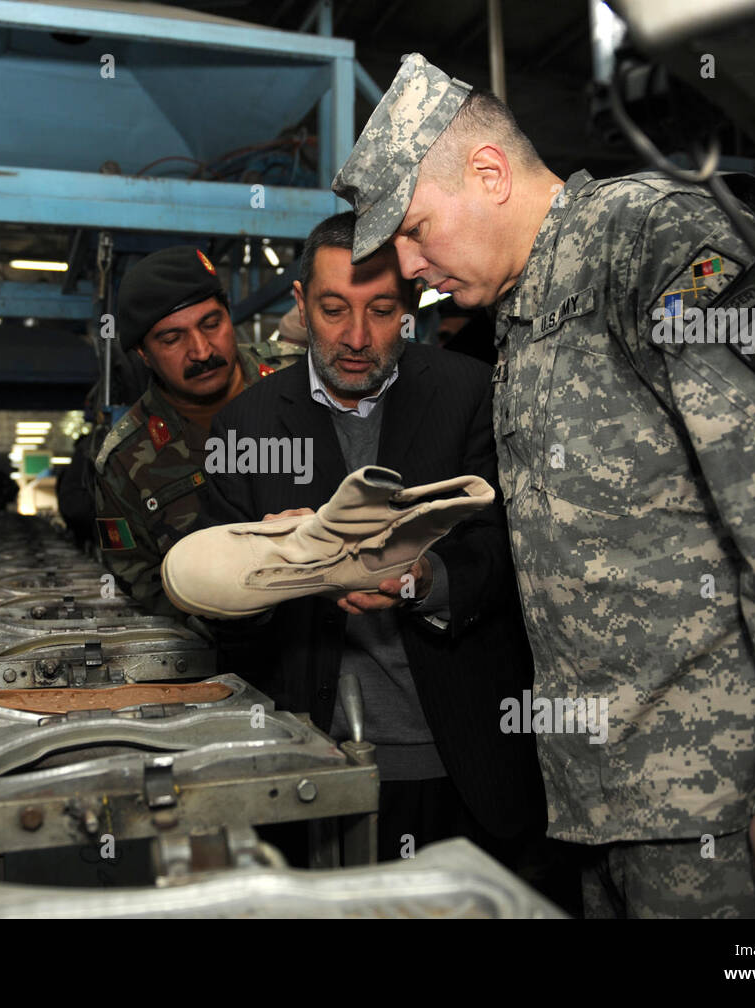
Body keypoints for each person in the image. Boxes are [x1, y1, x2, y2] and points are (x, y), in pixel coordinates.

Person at [332, 52, 755, 917]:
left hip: (742, 812)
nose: (408, 268)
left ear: (488, 172)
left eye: (414, 230)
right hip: (617, 815)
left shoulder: (657, 242)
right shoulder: (525, 318)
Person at [204, 212, 547, 870]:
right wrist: (265, 562)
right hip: (311, 768)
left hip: (457, 760)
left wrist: (426, 579)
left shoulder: (469, 394)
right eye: (333, 310)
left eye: (382, 311)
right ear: (301, 303)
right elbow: (211, 605)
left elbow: (510, 543)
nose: (356, 337)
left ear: (413, 306)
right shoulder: (244, 425)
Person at [93, 245, 302, 616]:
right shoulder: (124, 462)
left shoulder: (300, 376)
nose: (202, 351)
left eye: (212, 324)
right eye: (172, 339)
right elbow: (141, 581)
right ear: (143, 355)